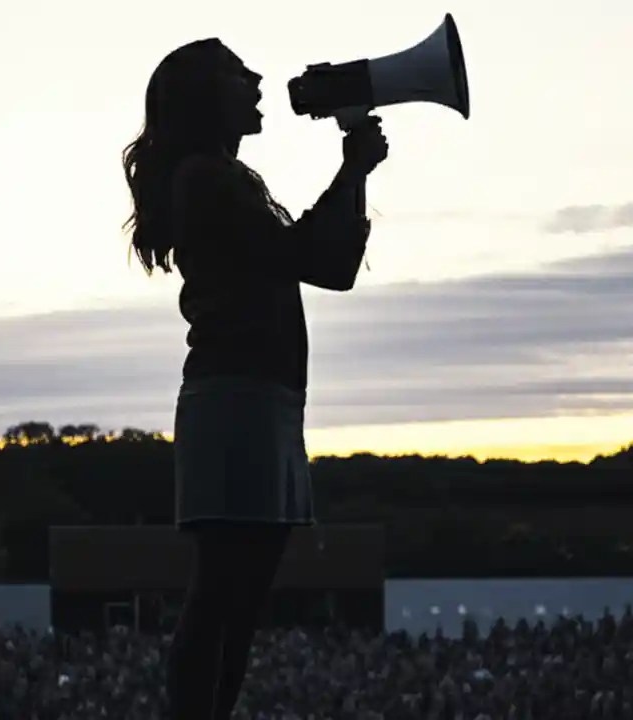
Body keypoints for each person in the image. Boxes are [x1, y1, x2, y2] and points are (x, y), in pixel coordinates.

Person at [120, 37, 388, 720]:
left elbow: (328, 264)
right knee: (221, 600)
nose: (258, 79)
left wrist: (354, 171)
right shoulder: (209, 179)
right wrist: (353, 166)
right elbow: (314, 257)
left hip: (257, 400)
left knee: (236, 604)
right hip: (237, 401)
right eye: (240, 73)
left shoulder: (218, 179)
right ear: (208, 98)